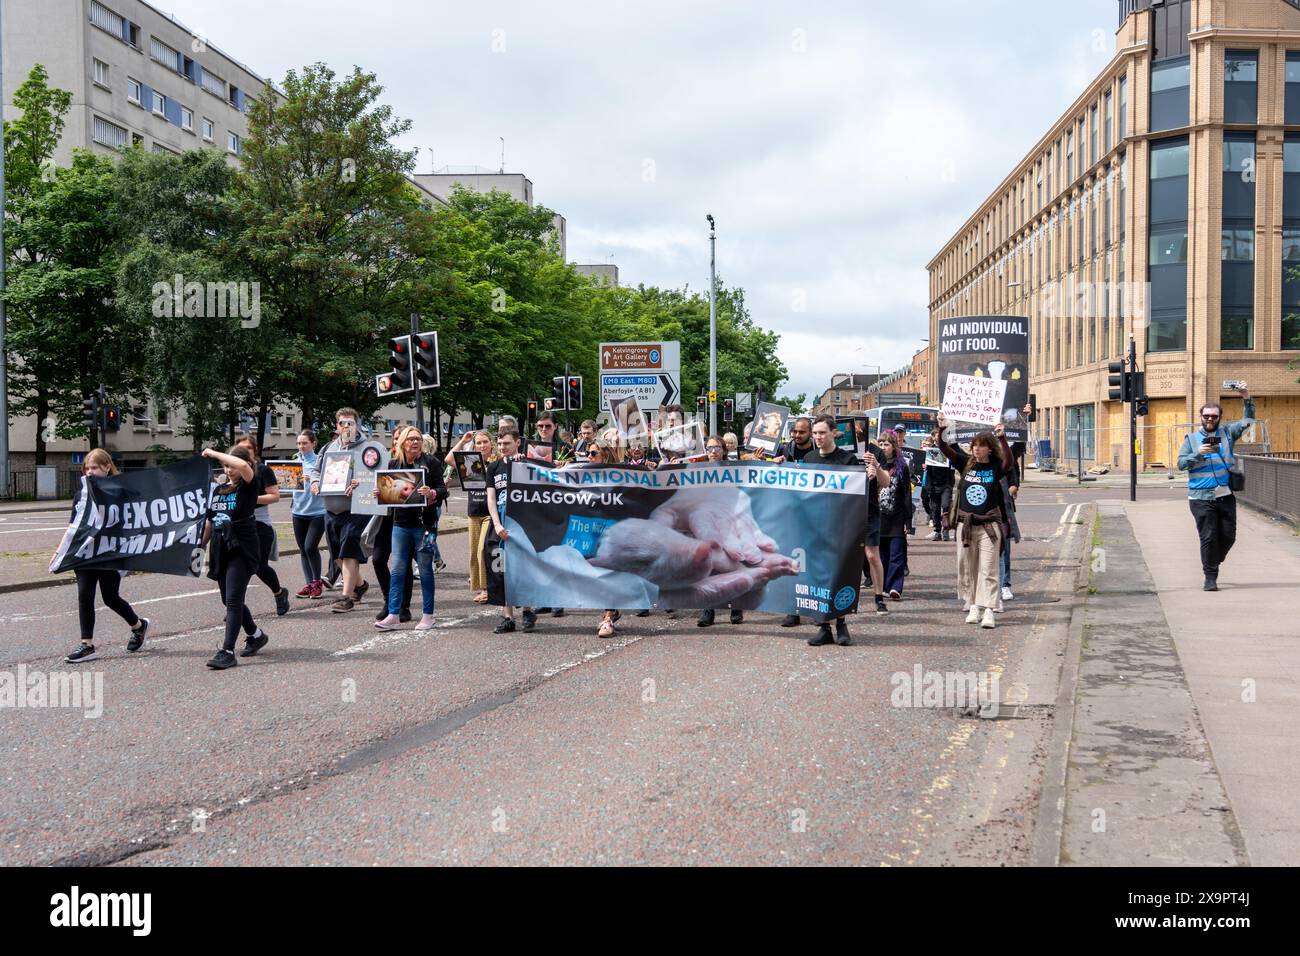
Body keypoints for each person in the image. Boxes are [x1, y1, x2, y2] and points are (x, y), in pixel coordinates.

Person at [63, 449, 150, 663]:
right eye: (87, 468)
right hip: (85, 553)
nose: (90, 472)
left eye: (95, 468)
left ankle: (138, 626)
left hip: (109, 552)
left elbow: (135, 518)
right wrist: (62, 551)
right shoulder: (81, 494)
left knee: (110, 597)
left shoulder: (120, 491)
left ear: (107, 467)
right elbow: (74, 526)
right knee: (85, 594)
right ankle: (87, 645)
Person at [937, 415, 1014, 629]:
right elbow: (944, 448)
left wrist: (1002, 438)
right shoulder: (965, 464)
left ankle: (989, 610)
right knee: (967, 567)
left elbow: (1009, 462)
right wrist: (942, 427)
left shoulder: (996, 467)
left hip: (989, 526)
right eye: (974, 446)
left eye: (981, 446)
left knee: (988, 568)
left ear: (990, 449)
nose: (976, 450)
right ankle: (972, 605)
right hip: (966, 526)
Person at [1177, 385, 1255, 591]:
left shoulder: (1228, 433)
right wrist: (1198, 454)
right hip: (1200, 498)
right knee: (1209, 537)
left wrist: (1245, 396)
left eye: (1214, 416)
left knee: (1229, 537)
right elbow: (1181, 464)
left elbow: (1248, 422)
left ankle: (1213, 559)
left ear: (1220, 417)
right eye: (1206, 416)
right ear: (1201, 417)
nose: (1210, 419)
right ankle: (1210, 577)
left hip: (1225, 495)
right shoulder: (1191, 440)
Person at [201, 444, 270, 669]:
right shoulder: (218, 490)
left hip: (243, 548)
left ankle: (227, 651)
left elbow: (242, 463)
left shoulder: (250, 484)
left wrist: (212, 453)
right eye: (225, 466)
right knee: (229, 600)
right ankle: (256, 634)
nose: (229, 469)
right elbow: (210, 522)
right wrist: (199, 547)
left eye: (232, 466)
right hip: (221, 548)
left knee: (232, 600)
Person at [796, 415, 861, 645]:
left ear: (834, 432)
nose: (817, 437)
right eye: (815, 433)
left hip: (840, 529)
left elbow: (858, 495)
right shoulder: (809, 458)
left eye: (822, 433)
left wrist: (871, 476)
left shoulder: (848, 460)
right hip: (815, 530)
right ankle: (823, 627)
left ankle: (841, 624)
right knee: (818, 579)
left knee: (839, 576)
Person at [376, 426, 448, 631]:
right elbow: (389, 492)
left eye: (417, 439)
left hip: (424, 524)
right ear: (402, 443)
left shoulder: (431, 462)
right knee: (398, 569)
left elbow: (443, 490)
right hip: (400, 524)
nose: (415, 443)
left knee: (425, 569)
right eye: (410, 439)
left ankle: (428, 615)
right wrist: (380, 492)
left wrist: (432, 492)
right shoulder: (393, 464)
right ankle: (393, 614)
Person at [307, 408, 371, 613]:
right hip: (331, 510)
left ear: (357, 425)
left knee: (349, 551)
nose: (346, 427)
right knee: (337, 556)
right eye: (342, 423)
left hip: (356, 509)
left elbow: (374, 475)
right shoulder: (328, 449)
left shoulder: (367, 449)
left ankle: (346, 598)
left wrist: (359, 483)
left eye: (350, 423)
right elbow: (316, 471)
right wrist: (315, 483)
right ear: (337, 426)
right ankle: (360, 586)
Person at [485, 430, 538, 633]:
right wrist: (497, 525)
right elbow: (491, 498)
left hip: (521, 524)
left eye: (506, 443)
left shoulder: (524, 464)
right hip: (501, 522)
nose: (502, 447)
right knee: (501, 569)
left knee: (522, 568)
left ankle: (527, 610)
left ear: (517, 443)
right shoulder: (493, 467)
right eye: (499, 443)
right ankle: (507, 616)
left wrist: (522, 463)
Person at [233, 435, 291, 616]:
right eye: (241, 449)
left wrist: (250, 499)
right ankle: (235, 607)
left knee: (258, 565)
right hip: (238, 525)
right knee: (238, 567)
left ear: (255, 451)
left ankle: (279, 593)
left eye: (248, 449)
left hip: (260, 524)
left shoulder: (263, 470)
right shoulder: (232, 471)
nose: (245, 453)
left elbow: (275, 496)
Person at [696, 436, 746, 628]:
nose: (713, 451)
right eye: (709, 448)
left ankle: (737, 606)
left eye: (717, 447)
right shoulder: (698, 470)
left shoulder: (733, 469)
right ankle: (708, 610)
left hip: (730, 521)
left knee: (733, 563)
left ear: (724, 450)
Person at [446, 429, 495, 602]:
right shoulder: (470, 462)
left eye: (485, 442)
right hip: (473, 511)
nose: (482, 446)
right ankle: (481, 587)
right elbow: (449, 459)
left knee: (483, 550)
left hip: (490, 513)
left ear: (491, 444)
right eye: (478, 443)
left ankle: (488, 589)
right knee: (474, 551)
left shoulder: (496, 462)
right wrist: (463, 440)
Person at [372, 427, 413, 622]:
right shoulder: (387, 462)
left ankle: (403, 606)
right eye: (396, 438)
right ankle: (389, 599)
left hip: (406, 519)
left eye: (401, 438)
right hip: (387, 517)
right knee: (378, 559)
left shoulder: (414, 464)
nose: (398, 442)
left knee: (403, 563)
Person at [291, 430, 328, 599]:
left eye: (305, 443)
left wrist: (313, 480)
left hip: (317, 512)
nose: (301, 446)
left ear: (313, 444)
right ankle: (309, 583)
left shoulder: (320, 462)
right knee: (302, 550)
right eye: (299, 443)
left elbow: (328, 482)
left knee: (310, 546)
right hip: (298, 511)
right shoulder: (295, 461)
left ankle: (316, 582)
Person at [875, 430, 912, 600]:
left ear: (894, 447)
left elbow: (906, 494)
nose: (883, 447)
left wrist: (908, 522)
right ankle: (883, 586)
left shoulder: (902, 467)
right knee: (881, 554)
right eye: (880, 444)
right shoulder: (874, 465)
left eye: (887, 444)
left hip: (896, 516)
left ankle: (895, 586)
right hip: (878, 516)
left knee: (896, 553)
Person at [922, 430, 954, 541]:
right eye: (937, 435)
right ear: (934, 437)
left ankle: (946, 529)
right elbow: (927, 467)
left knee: (946, 506)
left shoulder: (949, 449)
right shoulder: (930, 450)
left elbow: (954, 465)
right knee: (934, 508)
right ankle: (937, 530)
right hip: (933, 483)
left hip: (946, 483)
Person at [1000, 445, 1022, 602]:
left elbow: (1014, 484)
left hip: (1002, 513)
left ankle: (1004, 584)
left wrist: (1011, 490)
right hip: (981, 515)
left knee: (1004, 550)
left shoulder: (1007, 461)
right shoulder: (975, 463)